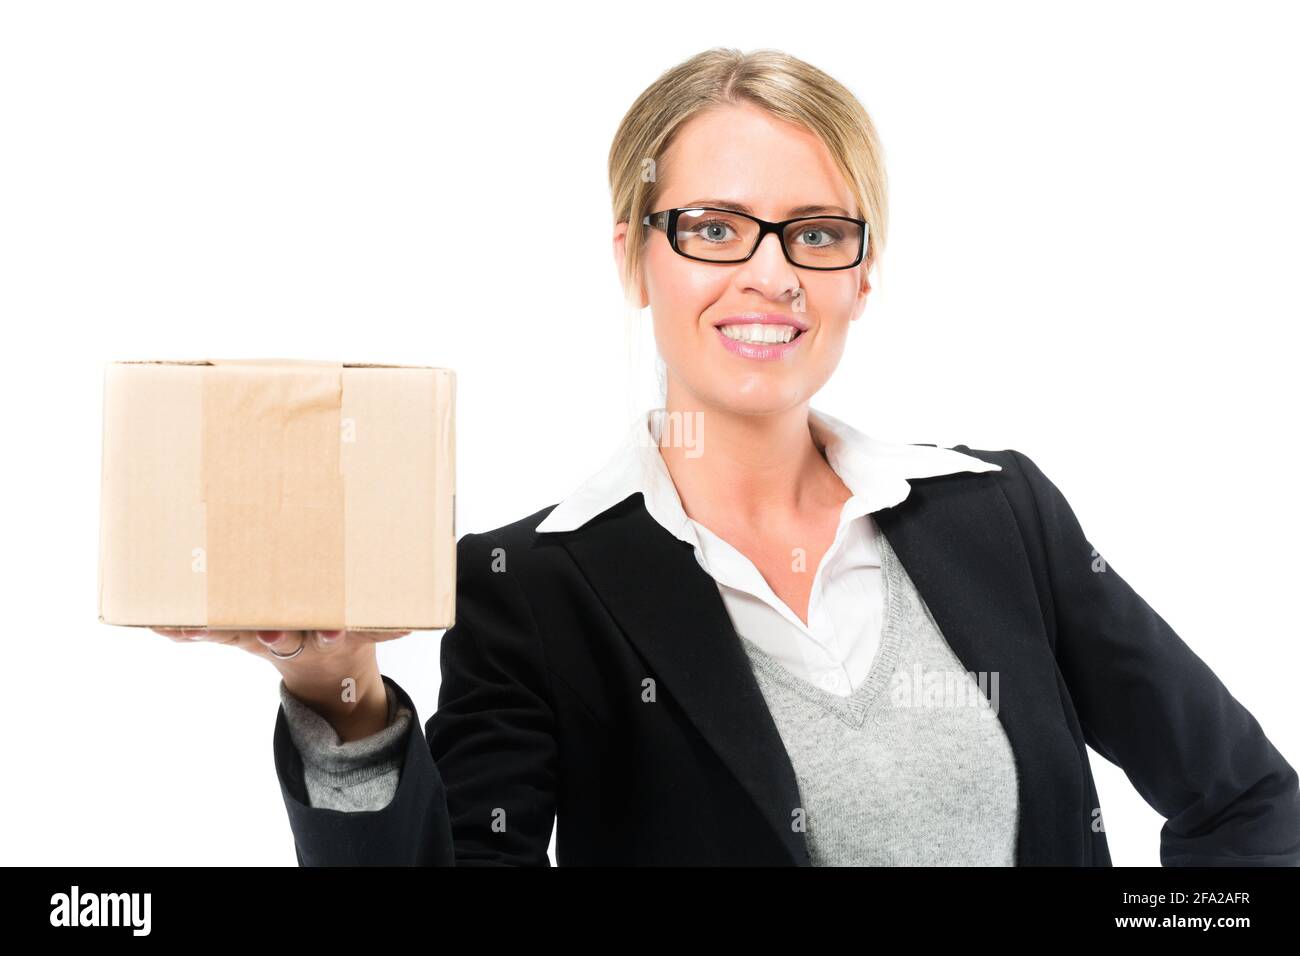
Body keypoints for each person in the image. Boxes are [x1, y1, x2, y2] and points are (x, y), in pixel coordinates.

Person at [155, 47, 1300, 866]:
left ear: (860, 271)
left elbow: (1249, 800)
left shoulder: (999, 513)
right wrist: (338, 693)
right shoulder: (530, 588)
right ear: (633, 256)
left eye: (815, 232)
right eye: (712, 228)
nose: (770, 274)